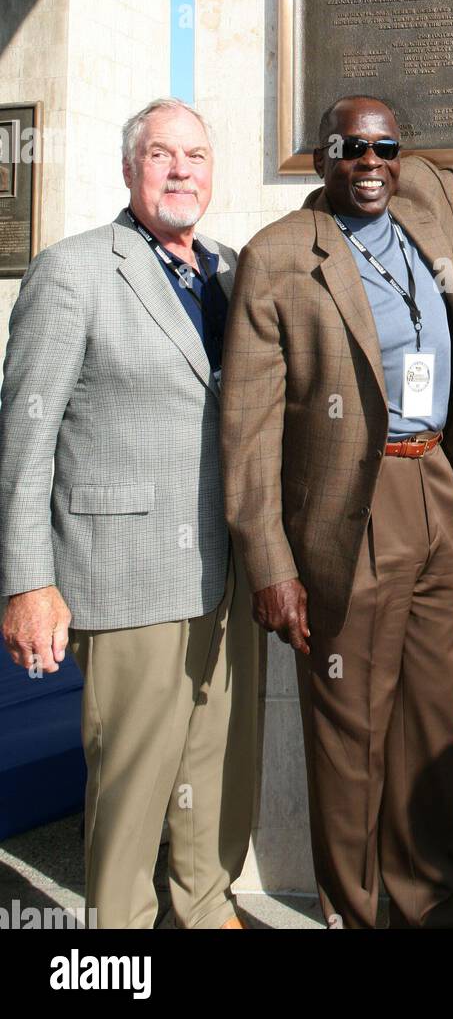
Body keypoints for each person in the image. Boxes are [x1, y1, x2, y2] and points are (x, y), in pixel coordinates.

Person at [221, 0, 453, 930]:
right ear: (321, 158)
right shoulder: (279, 257)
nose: (371, 163)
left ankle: (428, 901)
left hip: (434, 481)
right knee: (350, 723)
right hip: (347, 508)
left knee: (430, 710)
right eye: (350, 148)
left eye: (384, 147)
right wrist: (270, 567)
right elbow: (248, 429)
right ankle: (353, 913)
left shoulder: (426, 195)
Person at [0, 99, 258, 930]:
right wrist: (27, 582)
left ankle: (207, 908)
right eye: (160, 155)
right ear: (128, 169)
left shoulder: (230, 272)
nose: (181, 170)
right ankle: (119, 937)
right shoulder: (72, 271)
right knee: (133, 786)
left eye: (196, 156)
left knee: (216, 768)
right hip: (126, 573)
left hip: (228, 573)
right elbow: (24, 439)